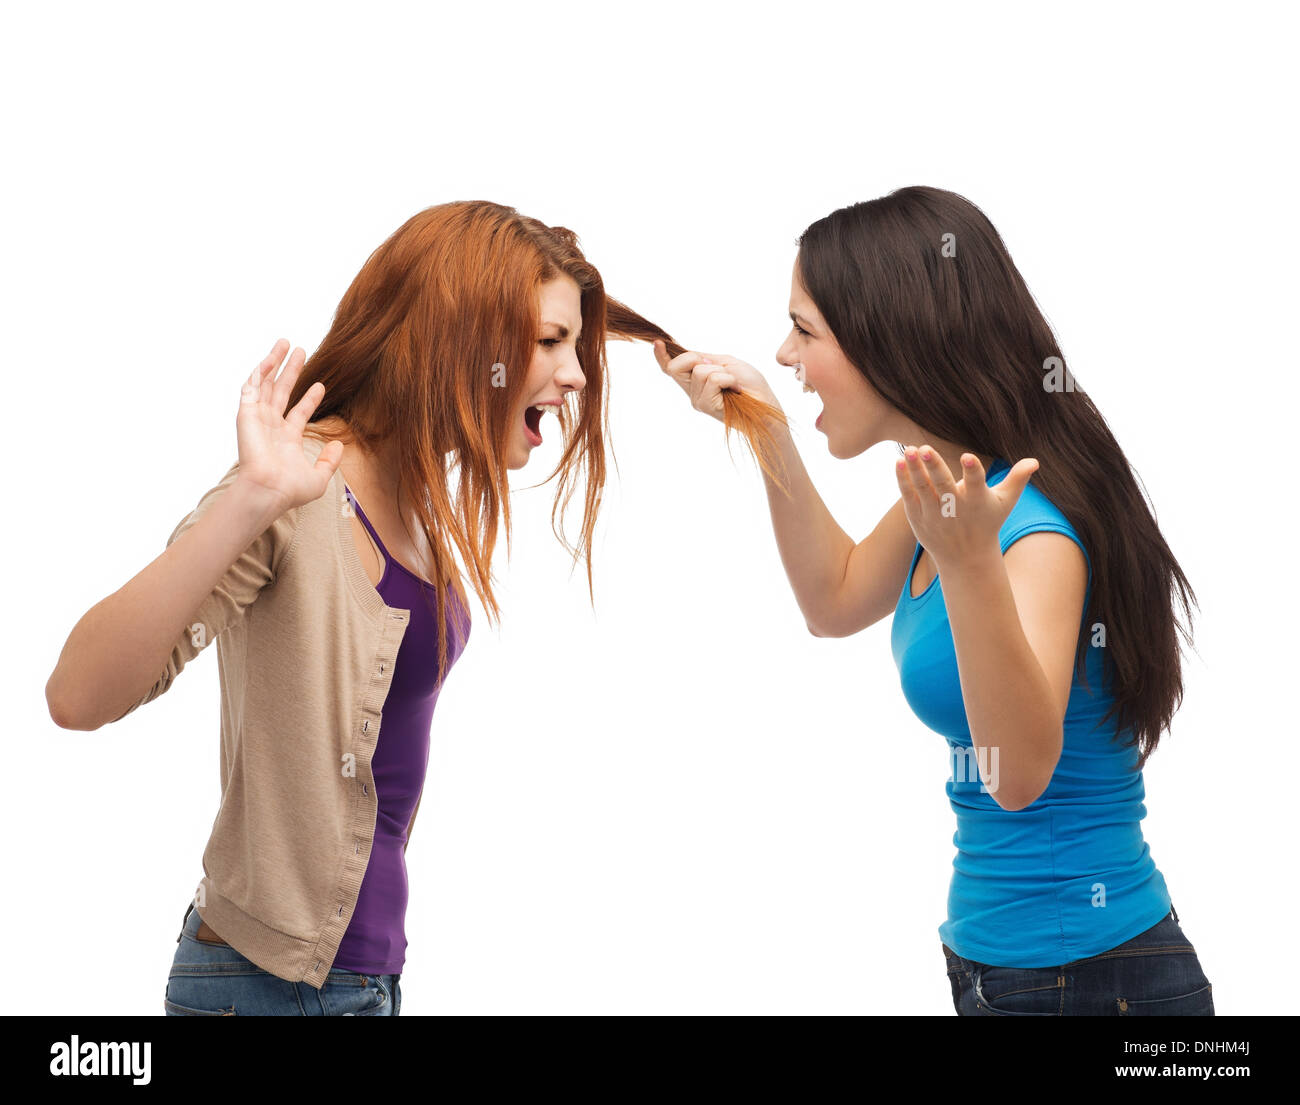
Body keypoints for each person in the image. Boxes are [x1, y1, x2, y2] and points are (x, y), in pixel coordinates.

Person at [44, 200, 705, 1016]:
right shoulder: (298, 485)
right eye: (548, 341)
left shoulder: (426, 501)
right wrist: (247, 499)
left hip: (360, 980)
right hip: (267, 986)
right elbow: (77, 695)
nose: (575, 373)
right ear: (463, 338)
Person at [655, 185, 1213, 1016]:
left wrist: (969, 564)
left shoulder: (1031, 533)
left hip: (1095, 979)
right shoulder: (956, 488)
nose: (783, 354)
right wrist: (766, 430)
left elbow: (1018, 776)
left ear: (891, 339)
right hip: (1007, 972)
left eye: (805, 330)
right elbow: (833, 599)